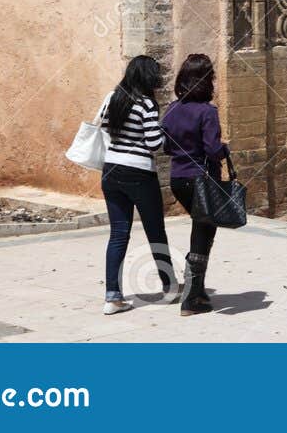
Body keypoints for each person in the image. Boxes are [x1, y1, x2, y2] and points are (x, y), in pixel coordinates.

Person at [97, 56, 175, 315]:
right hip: (139, 173)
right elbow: (154, 143)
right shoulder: (147, 104)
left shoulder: (113, 97)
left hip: (111, 170)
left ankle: (112, 297)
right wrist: (165, 132)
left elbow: (105, 128)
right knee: (155, 231)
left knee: (118, 234)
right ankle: (169, 286)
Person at [161, 53, 230, 316]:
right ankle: (190, 299)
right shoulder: (207, 112)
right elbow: (212, 149)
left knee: (202, 229)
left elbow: (166, 146)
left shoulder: (172, 109)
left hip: (178, 179)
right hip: (201, 179)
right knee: (203, 234)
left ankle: (198, 292)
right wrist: (225, 150)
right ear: (206, 80)